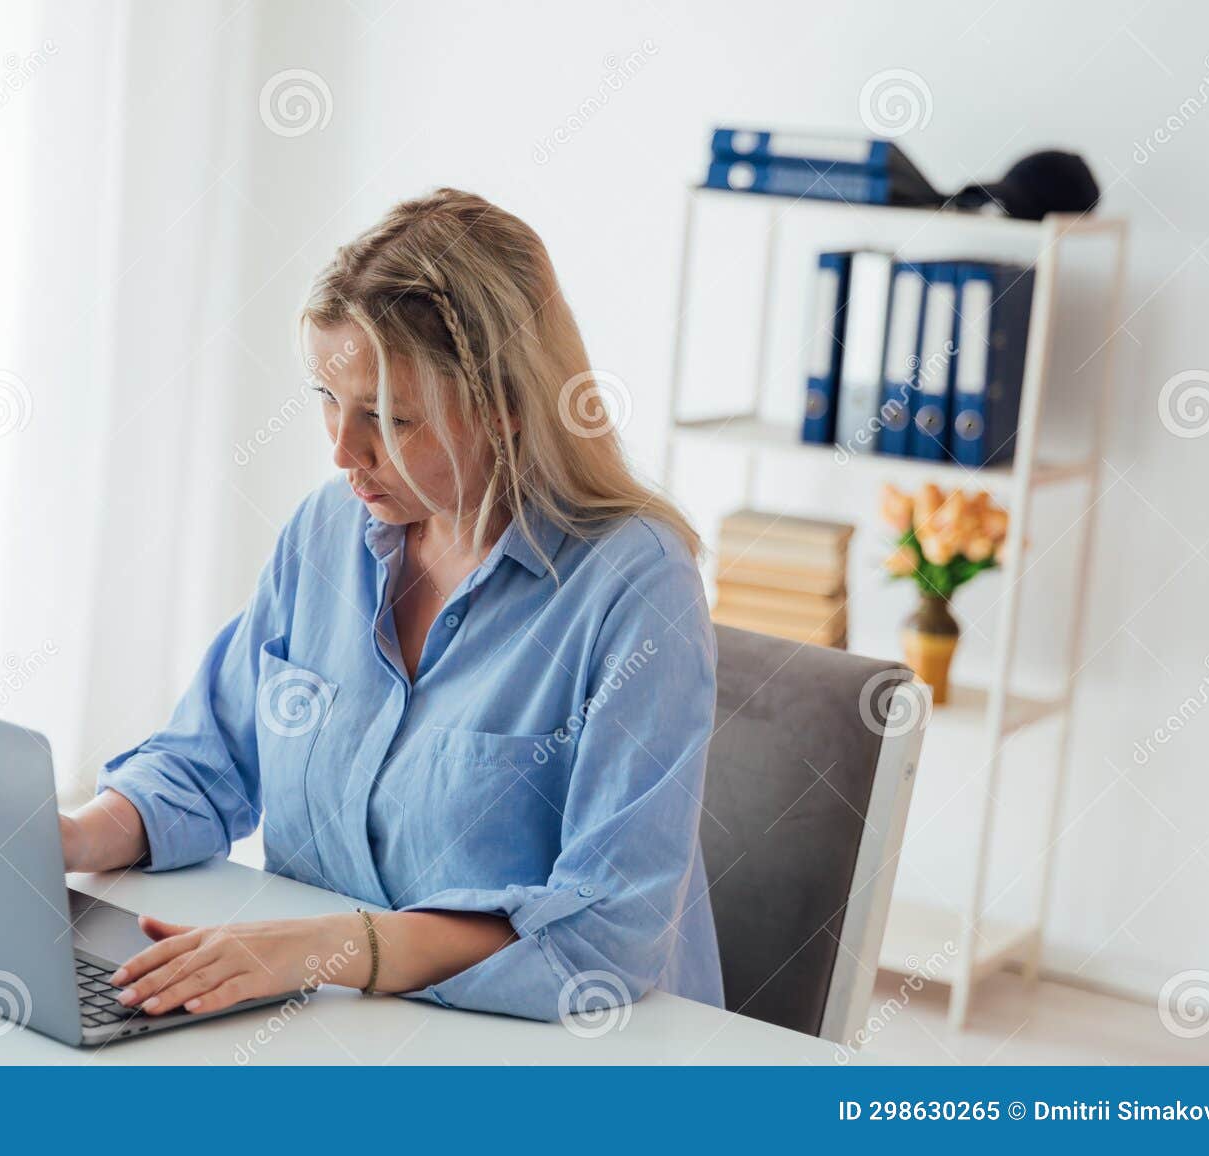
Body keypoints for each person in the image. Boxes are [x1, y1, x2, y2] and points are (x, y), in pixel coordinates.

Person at [59, 188, 722, 1022]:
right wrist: (72, 838)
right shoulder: (327, 533)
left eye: (388, 417)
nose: (342, 449)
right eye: (328, 399)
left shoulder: (635, 587)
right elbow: (203, 763)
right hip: (338, 1025)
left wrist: (323, 950)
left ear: (507, 410)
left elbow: (604, 933)